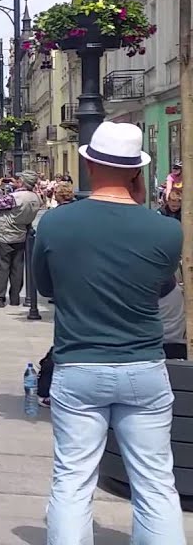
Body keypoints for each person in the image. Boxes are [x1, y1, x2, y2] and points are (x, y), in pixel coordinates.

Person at [33, 122, 185, 542]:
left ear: (88, 164)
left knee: (73, 480)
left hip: (78, 363)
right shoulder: (167, 231)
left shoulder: (56, 223)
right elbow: (161, 287)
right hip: (144, 366)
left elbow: (46, 289)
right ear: (138, 172)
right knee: (155, 482)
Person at [0, 171, 41, 308]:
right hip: (21, 235)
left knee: (1, 267)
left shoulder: (15, 197)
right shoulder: (36, 197)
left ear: (22, 182)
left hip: (5, 235)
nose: (15, 181)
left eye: (18, 179)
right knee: (17, 268)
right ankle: (15, 298)